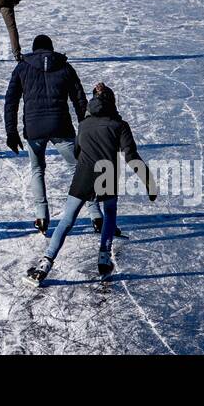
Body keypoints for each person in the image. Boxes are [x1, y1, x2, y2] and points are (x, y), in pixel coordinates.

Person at [26, 83, 157, 287]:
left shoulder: (84, 124)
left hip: (84, 175)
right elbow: (131, 156)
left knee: (67, 221)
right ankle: (104, 260)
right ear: (113, 102)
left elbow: (77, 151)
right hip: (108, 174)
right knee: (110, 213)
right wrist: (148, 182)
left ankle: (44, 265)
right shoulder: (120, 126)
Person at [3, 34, 100, 234]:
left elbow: (11, 102)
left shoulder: (23, 67)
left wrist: (11, 132)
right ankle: (95, 213)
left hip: (34, 128)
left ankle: (41, 216)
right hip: (61, 126)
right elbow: (79, 99)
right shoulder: (65, 67)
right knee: (81, 168)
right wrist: (86, 127)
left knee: (37, 169)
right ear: (51, 49)